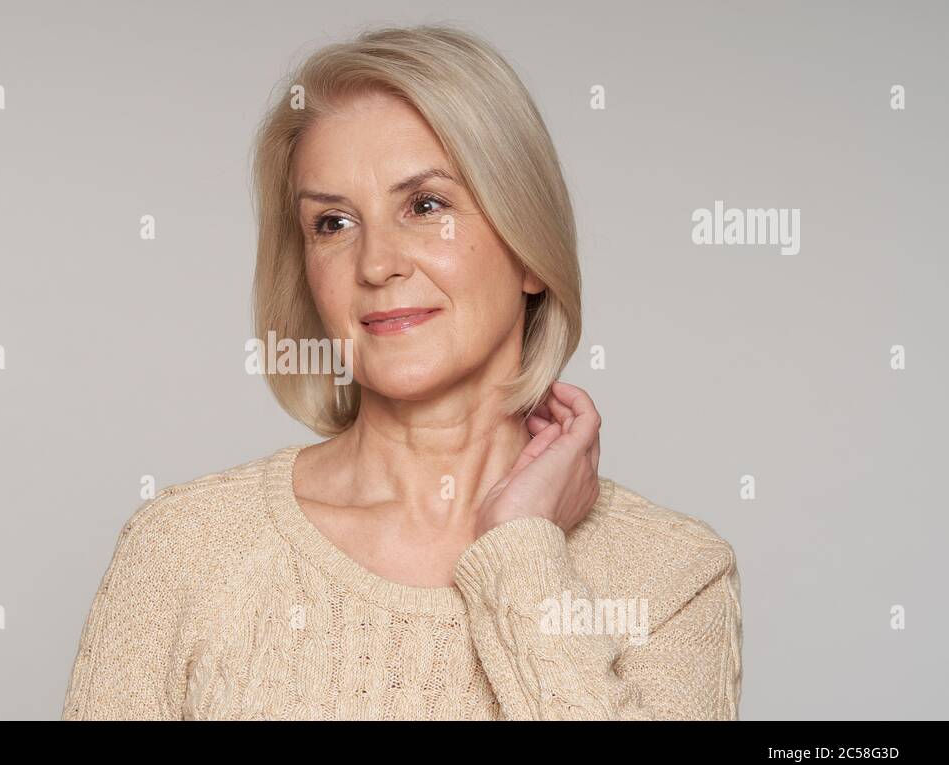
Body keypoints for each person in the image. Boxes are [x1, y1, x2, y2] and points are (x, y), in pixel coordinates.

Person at [62, 24, 741, 720]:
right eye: (332, 223)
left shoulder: (670, 574)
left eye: (425, 206)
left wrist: (521, 552)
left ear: (530, 247)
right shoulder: (187, 547)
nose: (376, 264)